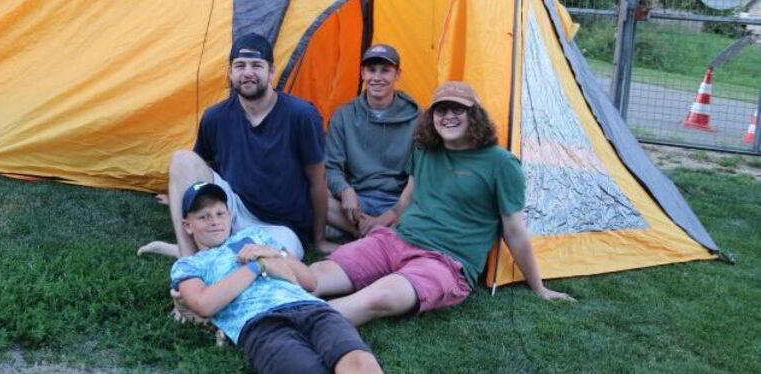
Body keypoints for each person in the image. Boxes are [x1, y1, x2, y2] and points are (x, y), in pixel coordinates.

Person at [311, 81, 574, 327]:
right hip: (396, 241)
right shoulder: (424, 150)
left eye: (457, 108)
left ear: (476, 115)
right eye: (440, 110)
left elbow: (514, 232)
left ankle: (308, 319)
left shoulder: (502, 164)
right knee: (318, 274)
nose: (448, 115)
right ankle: (281, 297)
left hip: (447, 261)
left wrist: (538, 287)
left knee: (381, 297)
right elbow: (406, 199)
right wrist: (382, 228)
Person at [140, 33, 337, 259]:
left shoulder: (302, 115)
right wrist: (178, 195)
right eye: (240, 65)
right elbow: (200, 169)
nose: (248, 73)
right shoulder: (215, 117)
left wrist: (319, 239)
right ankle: (188, 257)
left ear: (271, 71)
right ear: (231, 72)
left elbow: (317, 180)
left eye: (256, 65)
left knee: (265, 265)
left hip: (281, 227)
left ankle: (214, 254)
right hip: (230, 210)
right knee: (182, 159)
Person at [171, 181, 382, 374]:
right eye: (203, 216)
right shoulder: (190, 264)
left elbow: (310, 281)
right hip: (261, 323)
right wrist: (259, 266)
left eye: (220, 213)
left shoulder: (256, 237)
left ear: (229, 216)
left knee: (361, 364)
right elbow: (204, 303)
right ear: (188, 225)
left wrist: (275, 253)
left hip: (312, 308)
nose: (214, 221)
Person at [325, 44, 418, 238]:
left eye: (385, 71)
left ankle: (369, 233)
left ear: (397, 74)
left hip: (399, 201)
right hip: (357, 200)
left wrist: (393, 213)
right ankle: (381, 236)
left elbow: (420, 176)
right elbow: (331, 166)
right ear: (362, 74)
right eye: (371, 70)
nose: (377, 77)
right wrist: (345, 190)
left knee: (429, 211)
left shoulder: (417, 118)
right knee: (312, 195)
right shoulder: (343, 115)